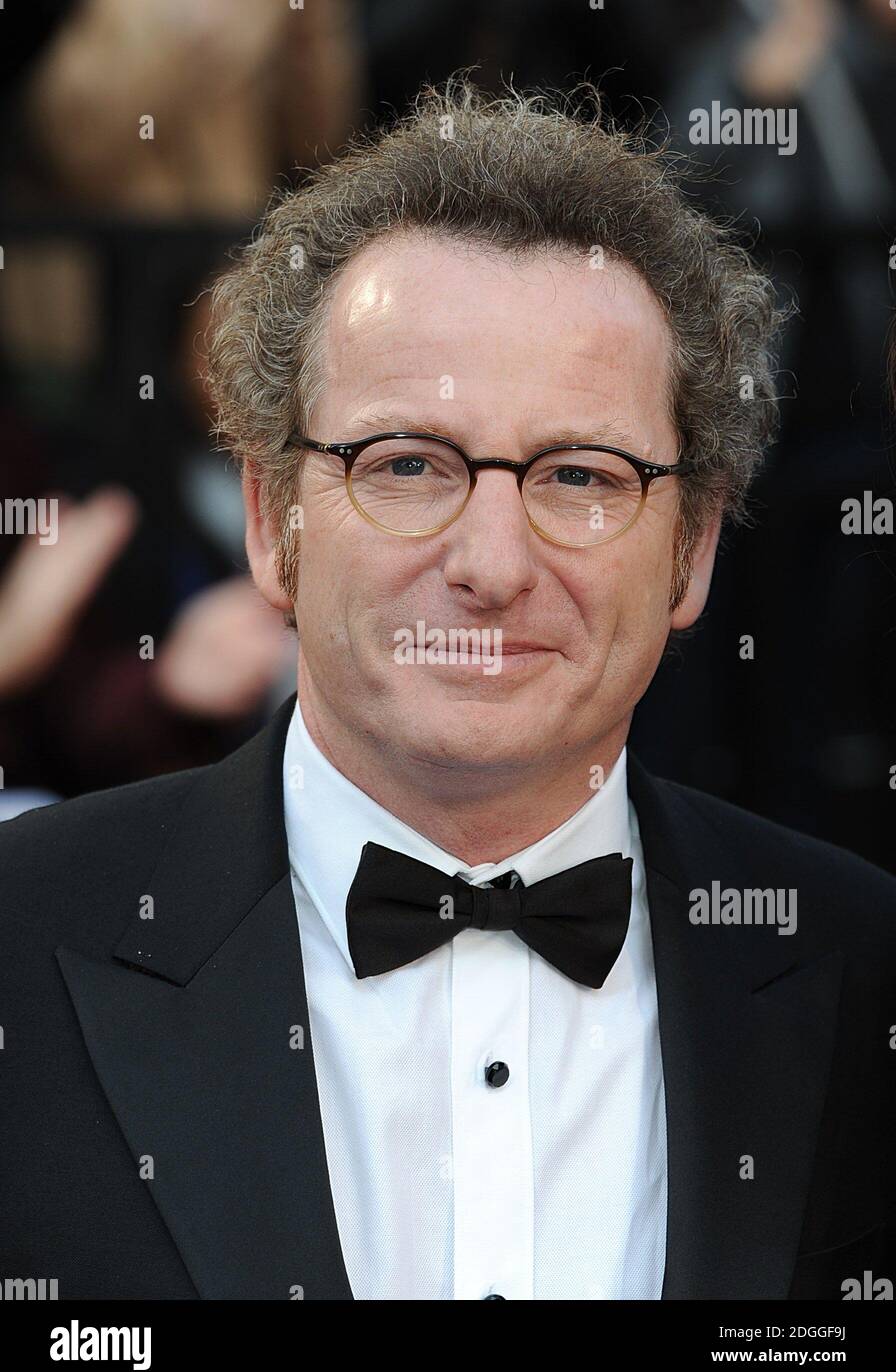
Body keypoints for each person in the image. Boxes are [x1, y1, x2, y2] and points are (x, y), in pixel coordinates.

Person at [0, 77, 893, 1302]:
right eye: (407, 463)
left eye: (579, 476)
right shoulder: (18, 944)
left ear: (690, 549)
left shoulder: (861, 969)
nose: (488, 565)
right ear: (273, 525)